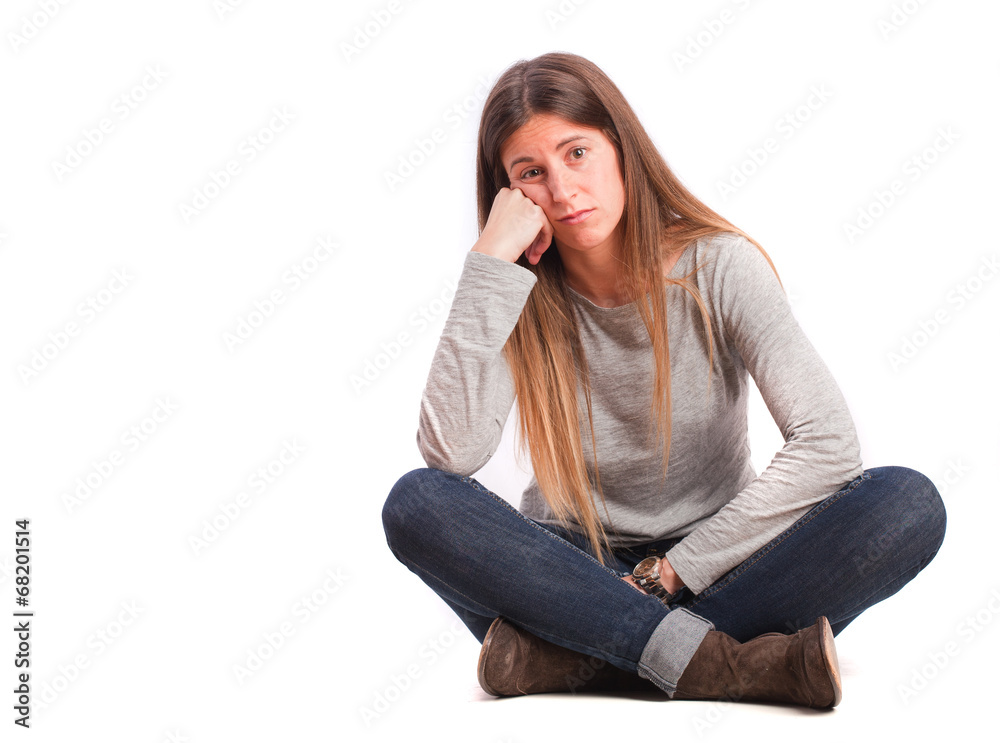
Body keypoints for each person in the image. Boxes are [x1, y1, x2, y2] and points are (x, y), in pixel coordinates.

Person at [381, 52, 946, 708]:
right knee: (417, 502)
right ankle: (728, 664)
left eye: (576, 153)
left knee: (908, 503)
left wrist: (675, 571)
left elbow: (828, 444)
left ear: (620, 148)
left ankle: (570, 660)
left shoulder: (719, 265)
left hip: (719, 563)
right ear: (509, 194)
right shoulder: (516, 291)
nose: (561, 192)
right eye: (530, 173)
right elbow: (451, 455)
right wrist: (487, 264)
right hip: (570, 571)